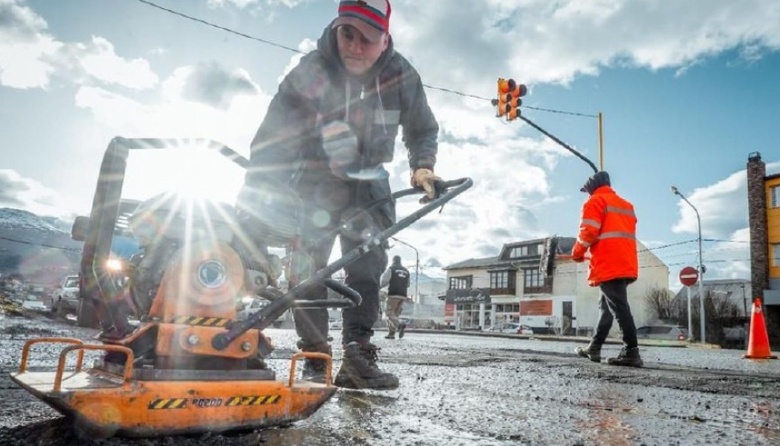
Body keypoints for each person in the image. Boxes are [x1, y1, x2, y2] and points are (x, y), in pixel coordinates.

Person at [243, 0, 440, 390]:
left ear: (385, 39)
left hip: (369, 183)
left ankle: (357, 353)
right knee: (307, 268)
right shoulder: (310, 71)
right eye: (347, 33)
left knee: (367, 266)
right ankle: (316, 356)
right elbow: (272, 137)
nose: (354, 46)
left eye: (366, 38)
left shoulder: (402, 76)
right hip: (312, 182)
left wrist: (422, 166)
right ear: (336, 28)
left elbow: (421, 129)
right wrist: (261, 188)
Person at [571, 171, 643, 367]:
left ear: (593, 188)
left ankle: (631, 351)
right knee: (607, 307)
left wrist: (578, 252)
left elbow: (589, 232)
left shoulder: (595, 202)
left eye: (587, 191)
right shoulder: (626, 205)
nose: (587, 195)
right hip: (626, 262)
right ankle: (594, 347)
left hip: (608, 263)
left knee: (619, 306)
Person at [381, 255, 410, 339]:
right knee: (395, 315)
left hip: (393, 294)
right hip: (403, 295)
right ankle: (391, 333)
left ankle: (399, 325)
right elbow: (407, 284)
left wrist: (378, 287)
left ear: (393, 261)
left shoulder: (391, 269)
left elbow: (384, 280)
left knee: (389, 313)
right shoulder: (406, 271)